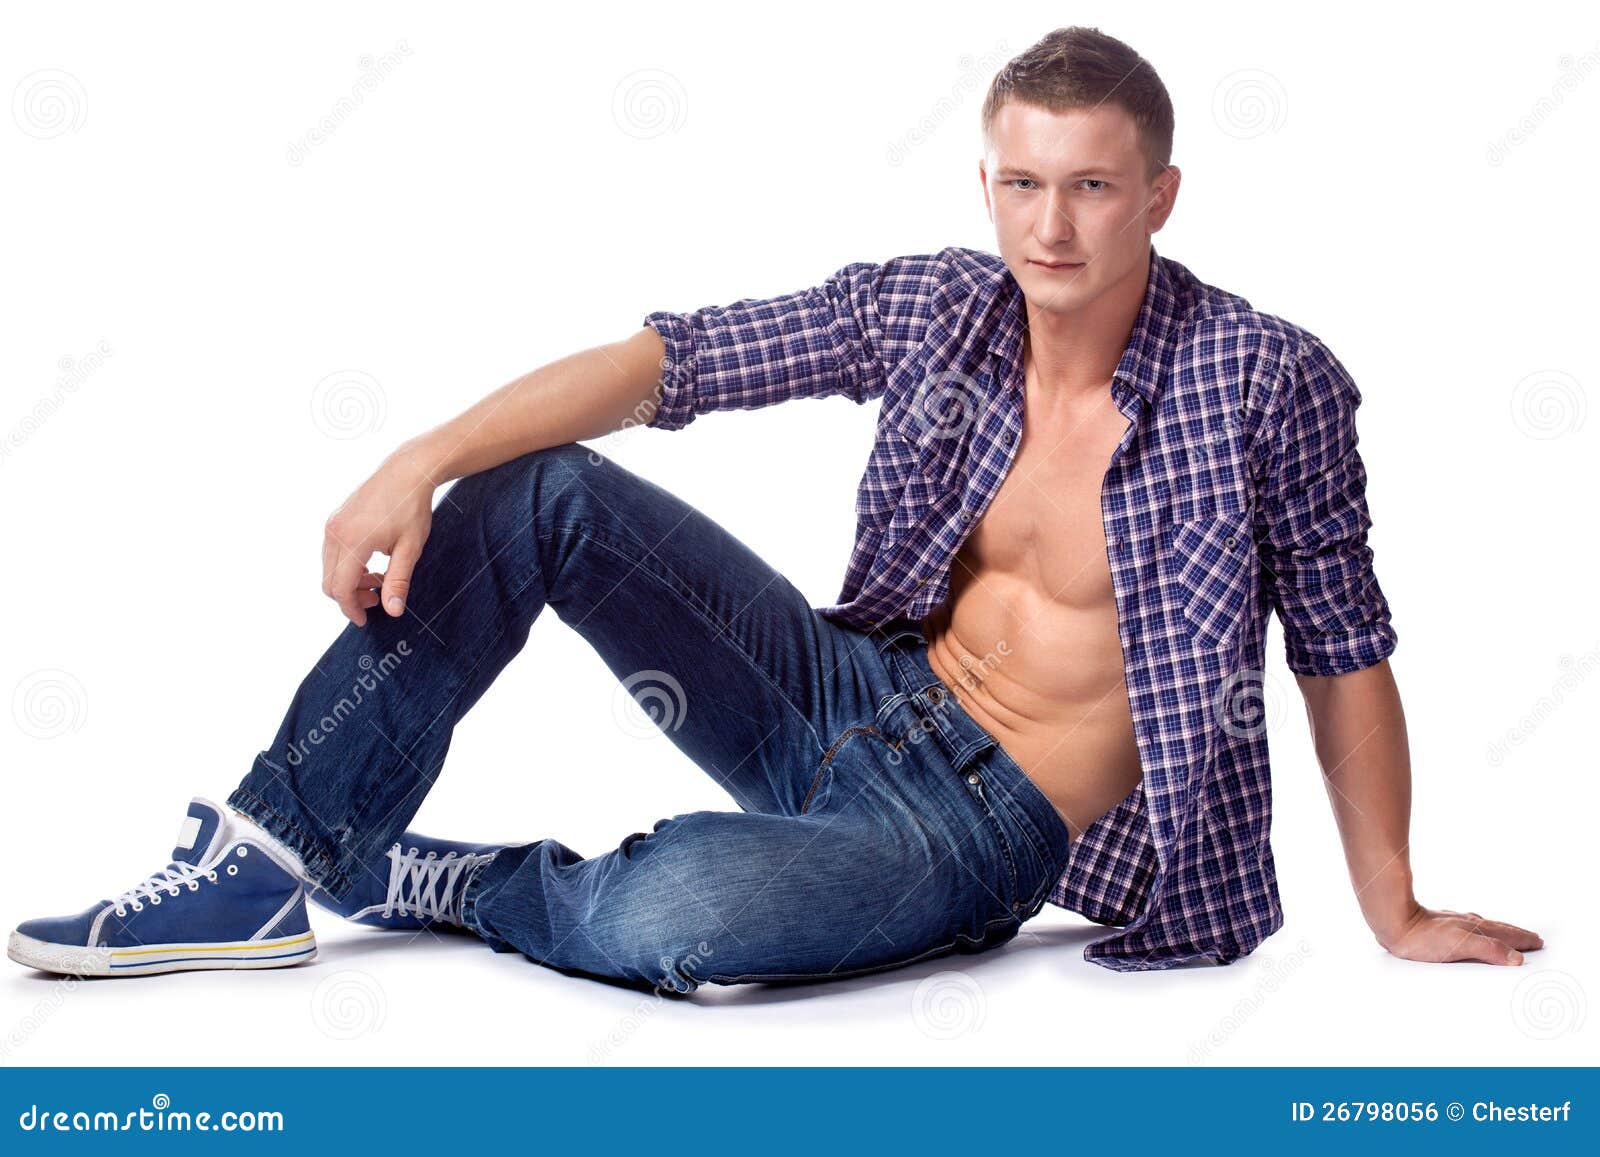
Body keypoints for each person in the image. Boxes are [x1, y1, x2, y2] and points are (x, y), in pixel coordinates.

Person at [9, 26, 1541, 992]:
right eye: (1019, 184)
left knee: (676, 921)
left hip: (978, 823)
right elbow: (667, 362)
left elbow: (1342, 644)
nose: (1048, 225)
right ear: (987, 181)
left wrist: (1393, 905)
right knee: (540, 489)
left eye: (1087, 187)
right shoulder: (934, 308)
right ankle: (271, 855)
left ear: (1160, 195)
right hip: (848, 694)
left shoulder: (1268, 381)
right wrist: (413, 454)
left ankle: (446, 880)